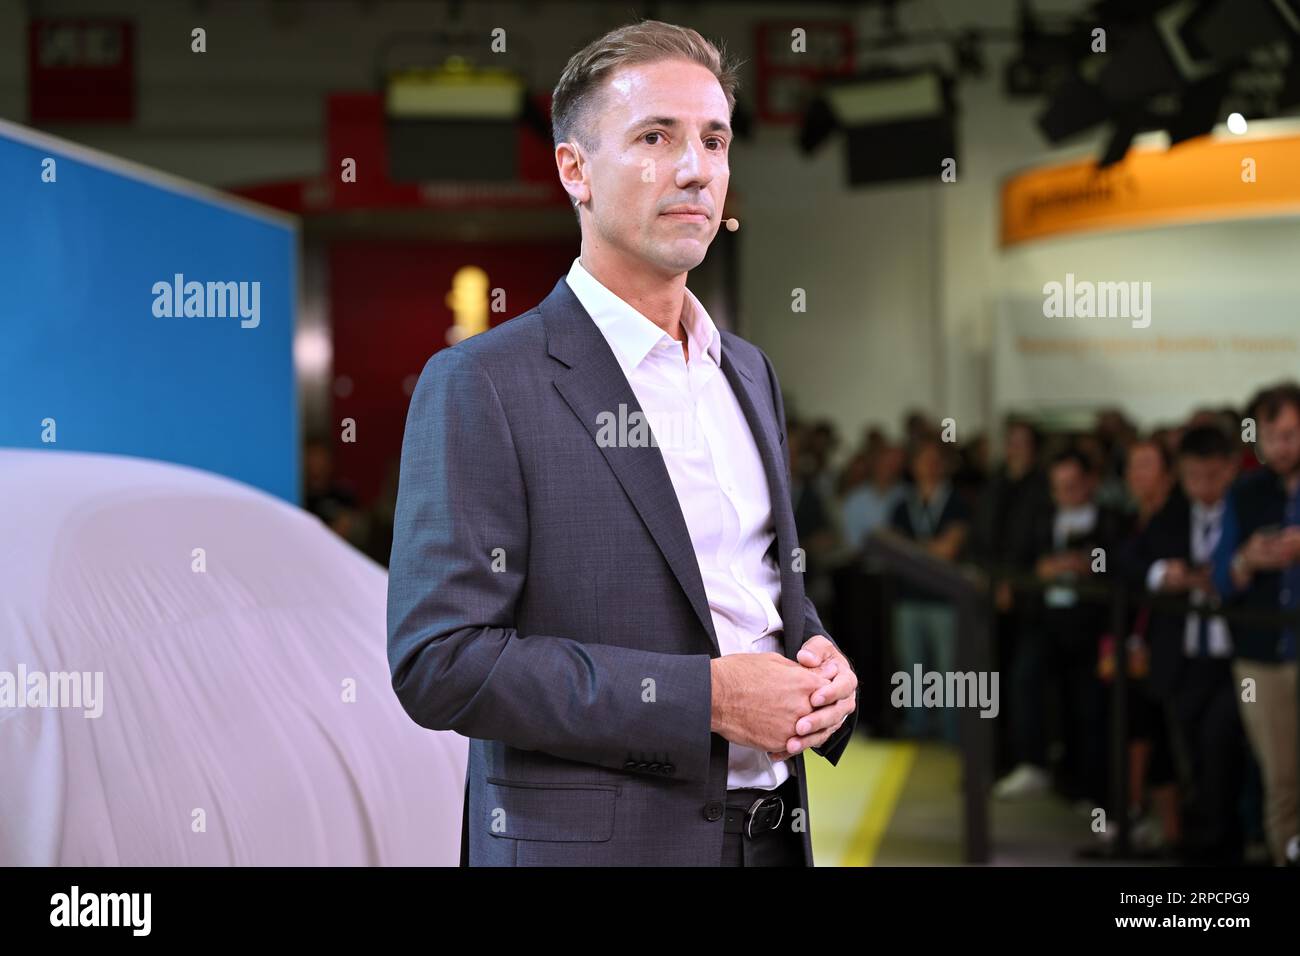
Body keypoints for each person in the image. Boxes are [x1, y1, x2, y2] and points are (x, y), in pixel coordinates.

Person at [386, 20, 858, 868]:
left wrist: (816, 658)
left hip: (773, 840)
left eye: (714, 140)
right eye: (655, 137)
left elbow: (750, 584)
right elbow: (441, 662)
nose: (696, 169)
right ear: (576, 171)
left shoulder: (747, 374)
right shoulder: (484, 384)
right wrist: (705, 699)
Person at [1134, 425, 1244, 862]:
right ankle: (1199, 843)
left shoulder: (1246, 509)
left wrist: (1230, 576)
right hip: (1184, 659)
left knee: (1223, 749)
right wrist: (1166, 574)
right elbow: (1130, 558)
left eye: (1213, 476)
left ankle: (1226, 843)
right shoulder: (1172, 515)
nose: (1204, 487)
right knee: (1192, 753)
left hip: (1237, 658)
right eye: (1194, 476)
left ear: (1232, 469)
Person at [996, 447, 1127, 803]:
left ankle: (1088, 786)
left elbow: (1121, 563)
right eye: (1059, 487)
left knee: (1088, 707)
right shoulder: (1039, 518)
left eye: (1074, 485)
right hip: (1044, 620)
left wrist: (1089, 567)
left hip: (1091, 626)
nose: (1067, 493)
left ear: (1090, 482)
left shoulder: (1111, 519)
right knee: (1025, 683)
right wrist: (1041, 570)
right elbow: (1018, 562)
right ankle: (1032, 764)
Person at [1213, 383, 1300, 866]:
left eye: (1291, 434)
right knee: (1281, 779)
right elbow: (1223, 575)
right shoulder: (1245, 492)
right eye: (1272, 436)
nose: (1282, 446)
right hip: (1261, 655)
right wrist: (1249, 558)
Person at [887, 435, 970, 744]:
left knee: (948, 671)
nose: (930, 466)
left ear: (945, 465)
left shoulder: (957, 502)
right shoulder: (902, 504)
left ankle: (951, 733)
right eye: (924, 460)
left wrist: (911, 550)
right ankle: (917, 728)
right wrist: (928, 550)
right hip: (908, 599)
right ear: (914, 465)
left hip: (945, 601)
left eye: (936, 460)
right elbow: (892, 550)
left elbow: (949, 549)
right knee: (912, 670)